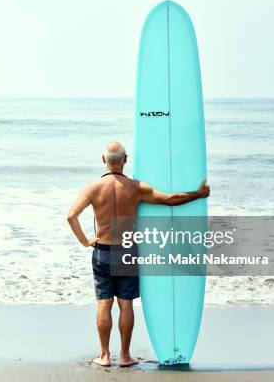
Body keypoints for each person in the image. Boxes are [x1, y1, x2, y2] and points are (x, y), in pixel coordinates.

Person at [66, 141, 210, 367]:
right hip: (126, 251)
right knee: (125, 304)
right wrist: (198, 194)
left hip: (102, 251)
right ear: (125, 159)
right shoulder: (135, 187)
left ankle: (104, 356)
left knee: (104, 304)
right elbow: (170, 200)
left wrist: (85, 241)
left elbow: (70, 216)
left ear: (103, 160)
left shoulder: (92, 188)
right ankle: (124, 356)